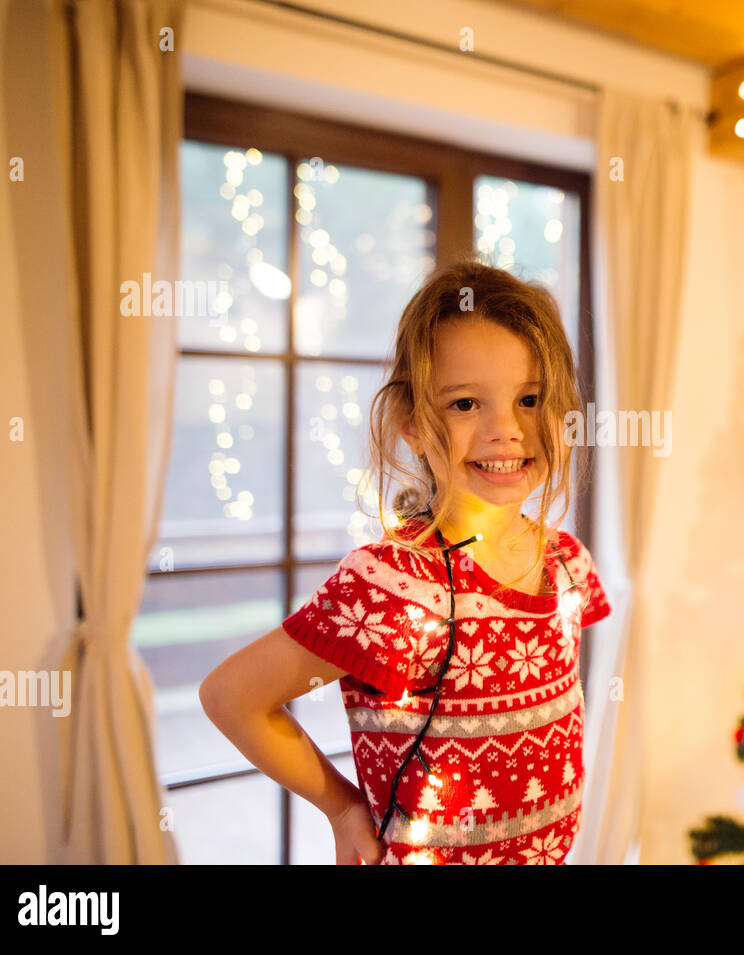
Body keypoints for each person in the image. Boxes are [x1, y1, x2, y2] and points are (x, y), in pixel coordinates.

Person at [200, 260, 611, 864]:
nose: (507, 430)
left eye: (530, 399)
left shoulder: (566, 562)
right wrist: (343, 809)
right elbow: (232, 696)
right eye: (467, 403)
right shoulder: (394, 588)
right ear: (413, 424)